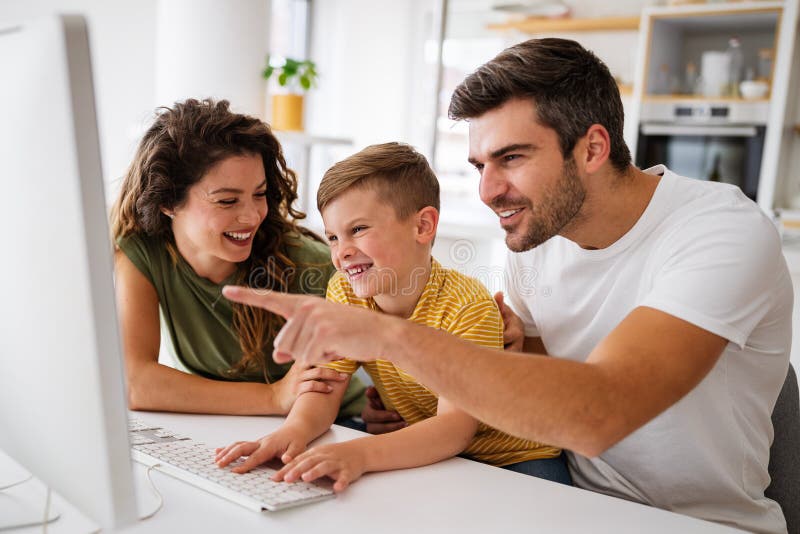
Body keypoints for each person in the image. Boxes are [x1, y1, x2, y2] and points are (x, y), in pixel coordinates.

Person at [221, 39, 792, 534]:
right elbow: (532, 382)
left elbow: (598, 413)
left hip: (694, 524)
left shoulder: (719, 232)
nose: (489, 190)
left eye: (511, 158)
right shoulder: (536, 240)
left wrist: (390, 338)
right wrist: (432, 398)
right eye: (478, 166)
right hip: (559, 501)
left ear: (592, 148)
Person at [215, 142, 568, 490]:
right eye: (334, 237)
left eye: (358, 230)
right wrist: (291, 434)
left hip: (515, 458)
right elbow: (324, 387)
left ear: (423, 226)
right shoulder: (345, 292)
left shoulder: (467, 306)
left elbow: (454, 429)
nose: (342, 253)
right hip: (431, 453)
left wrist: (358, 455)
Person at [111, 98, 365, 420]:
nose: (252, 216)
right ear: (168, 202)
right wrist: (272, 397)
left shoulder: (309, 265)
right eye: (227, 201)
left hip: (341, 422)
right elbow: (135, 384)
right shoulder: (142, 252)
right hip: (239, 424)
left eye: (259, 194)